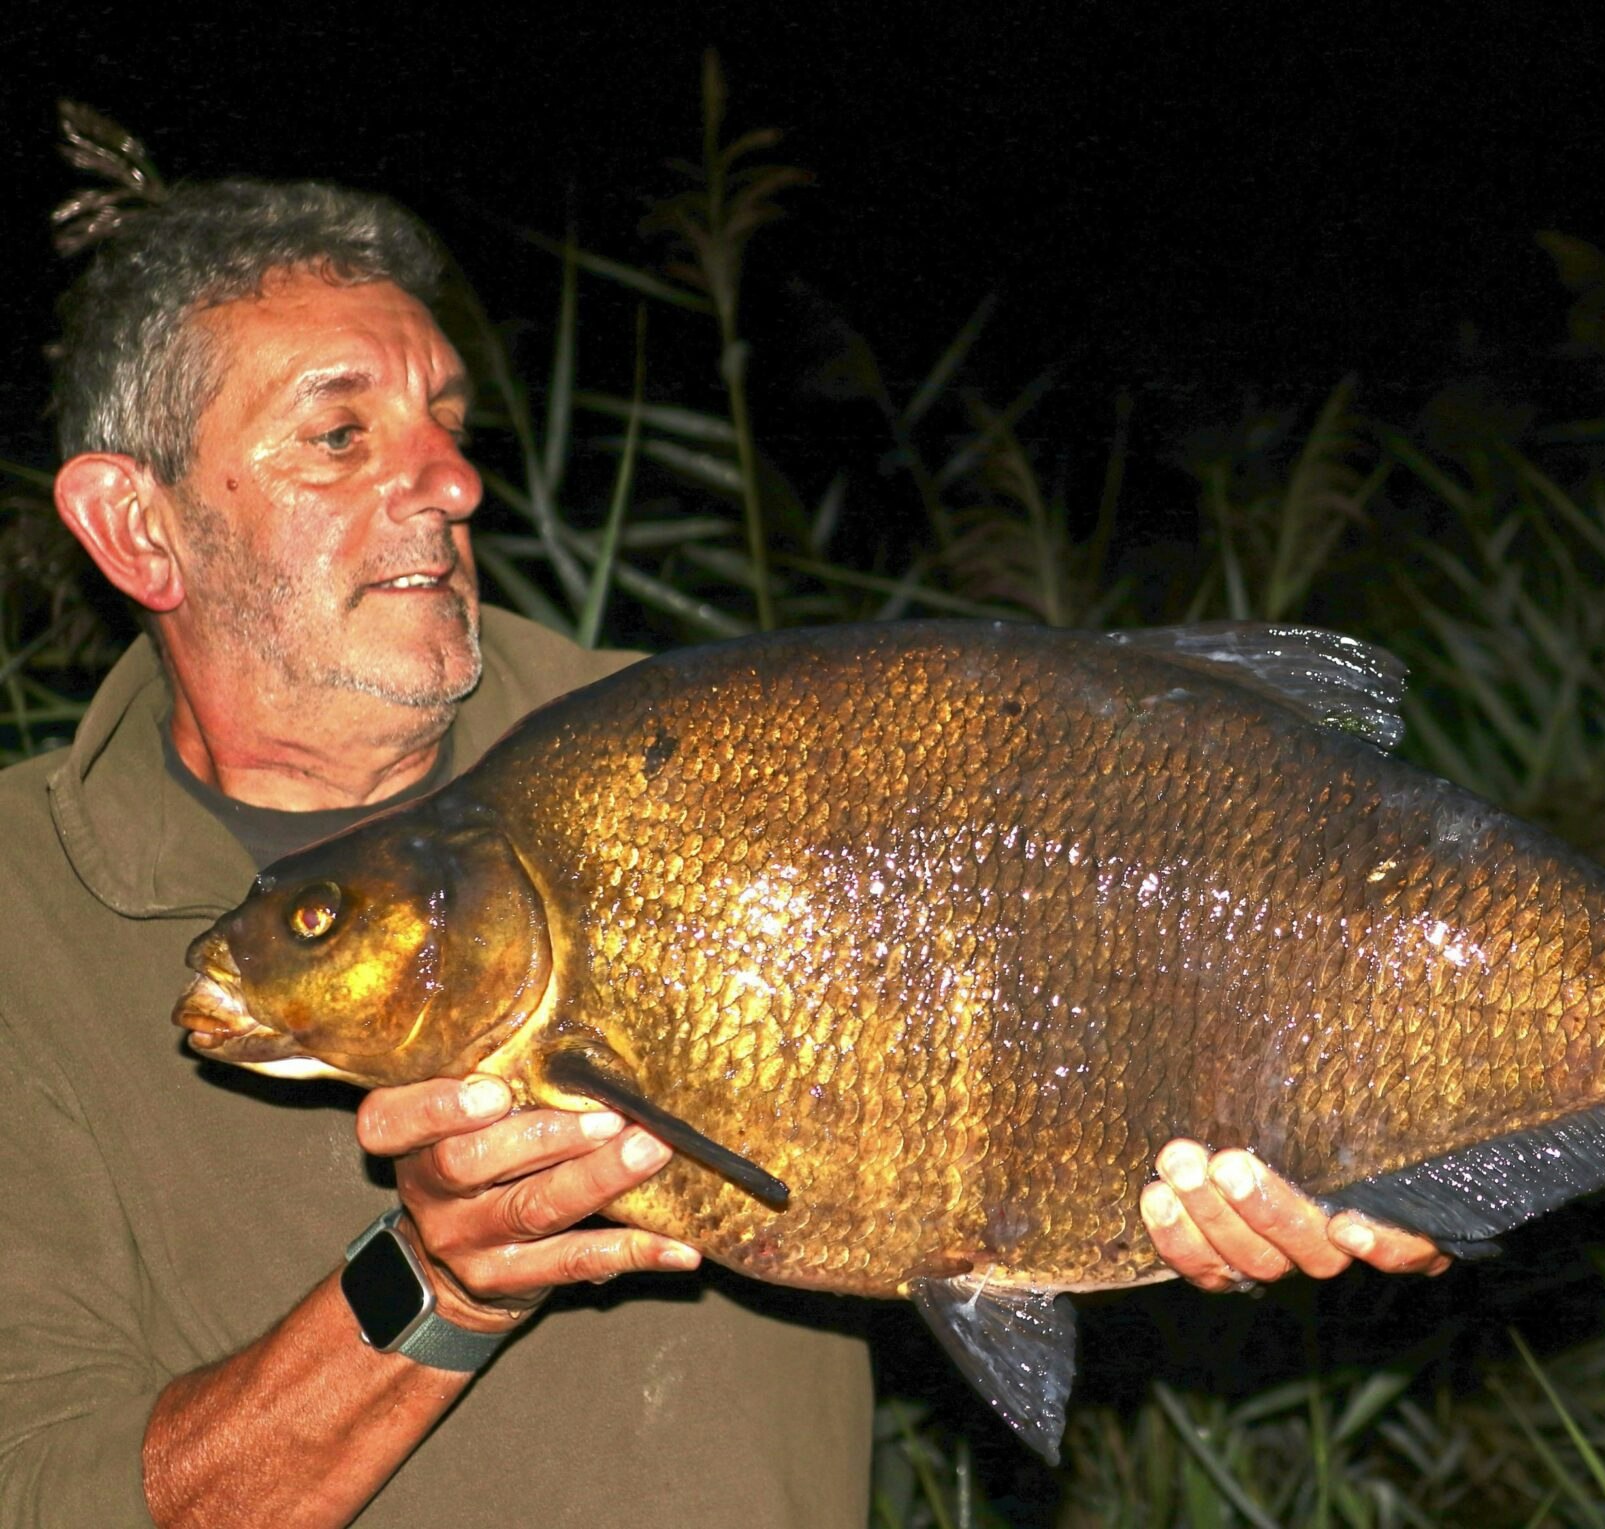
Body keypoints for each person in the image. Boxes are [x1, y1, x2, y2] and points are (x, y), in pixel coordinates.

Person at [0, 176, 1442, 1528]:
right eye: (341, 434)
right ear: (135, 526)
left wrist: (1383, 1157)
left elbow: (1132, 975)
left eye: (448, 419)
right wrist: (430, 1278)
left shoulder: (715, 759)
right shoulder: (24, 913)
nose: (449, 481)